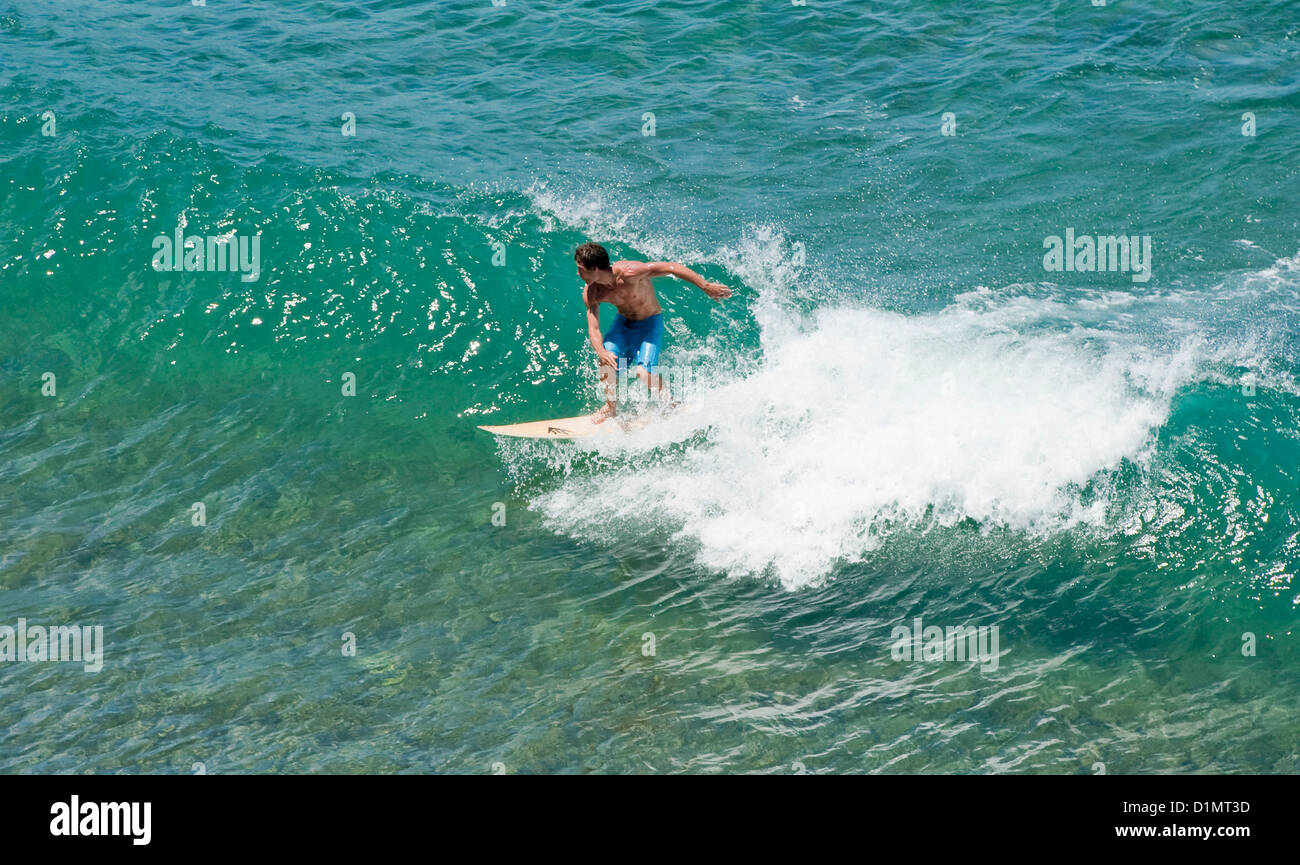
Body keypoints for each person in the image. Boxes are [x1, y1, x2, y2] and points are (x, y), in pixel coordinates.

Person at [574, 242, 731, 423]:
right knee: (606, 364)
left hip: (649, 324)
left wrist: (705, 286)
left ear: (594, 268)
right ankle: (610, 408)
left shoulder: (630, 272)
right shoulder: (592, 292)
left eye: (581, 269)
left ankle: (671, 403)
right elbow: (593, 328)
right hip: (623, 326)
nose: (578, 274)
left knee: (644, 373)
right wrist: (602, 352)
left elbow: (671, 267)